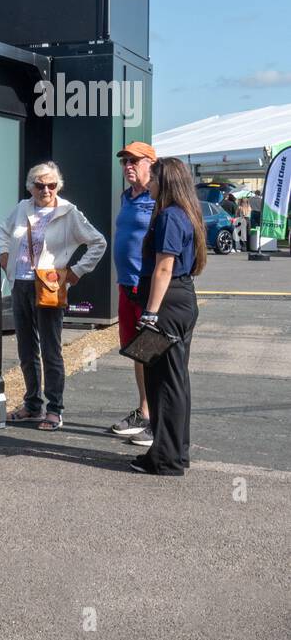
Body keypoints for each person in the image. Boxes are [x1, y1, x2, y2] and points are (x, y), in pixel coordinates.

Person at [0, 161, 107, 431]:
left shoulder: (68, 212)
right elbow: (2, 229)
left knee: (50, 350)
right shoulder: (23, 208)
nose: (45, 190)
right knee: (25, 349)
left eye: (51, 185)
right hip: (21, 283)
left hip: (48, 286)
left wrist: (75, 273)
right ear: (30, 187)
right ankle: (32, 405)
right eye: (39, 185)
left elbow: (98, 242)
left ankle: (55, 409)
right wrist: (4, 256)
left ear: (58, 186)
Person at [130, 156, 205, 476]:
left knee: (166, 382)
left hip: (167, 304)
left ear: (166, 183)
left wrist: (150, 312)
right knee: (170, 379)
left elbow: (164, 266)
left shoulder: (170, 217)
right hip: (179, 300)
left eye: (155, 179)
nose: (150, 184)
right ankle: (170, 451)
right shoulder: (184, 213)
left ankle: (167, 459)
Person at [107, 142, 157, 444]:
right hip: (127, 287)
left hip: (147, 288)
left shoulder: (159, 198)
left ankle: (158, 421)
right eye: (124, 161)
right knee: (138, 354)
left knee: (154, 354)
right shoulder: (128, 196)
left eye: (134, 161)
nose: (127, 166)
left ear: (151, 163)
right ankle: (145, 411)